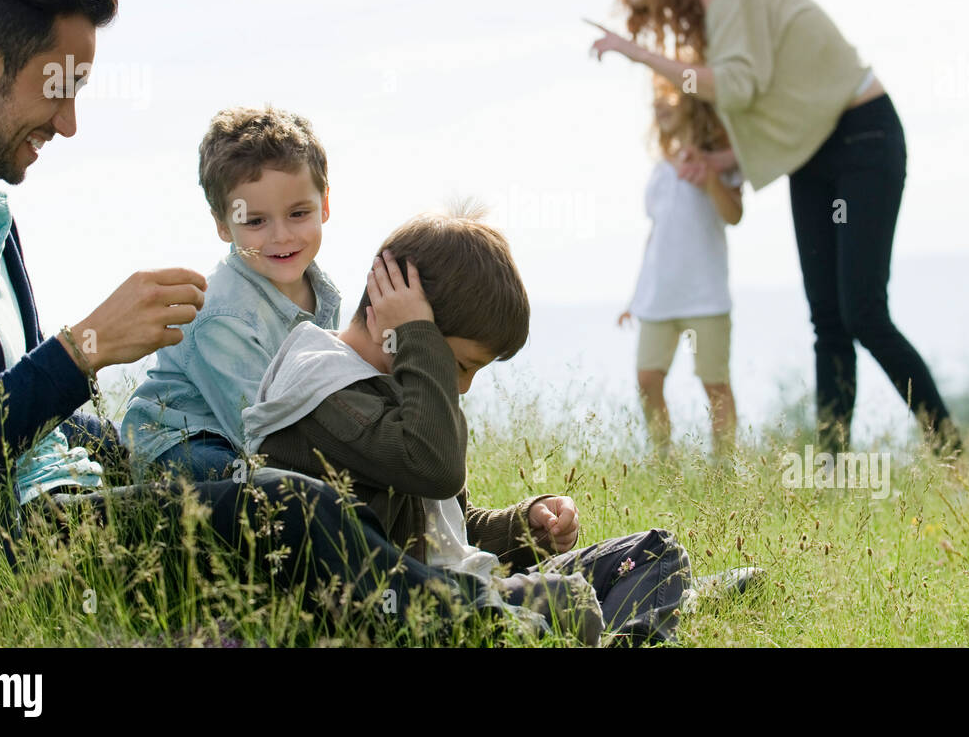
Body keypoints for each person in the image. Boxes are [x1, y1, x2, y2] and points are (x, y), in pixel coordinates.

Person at [0, 0, 546, 637]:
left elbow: (3, 409)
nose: (69, 123)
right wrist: (81, 351)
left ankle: (492, 581)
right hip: (10, 550)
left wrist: (111, 443)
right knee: (288, 508)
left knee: (281, 517)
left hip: (71, 499)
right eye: (59, 89)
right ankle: (487, 621)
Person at [588, 0, 962, 457]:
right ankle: (832, 473)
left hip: (862, 137)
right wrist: (719, 161)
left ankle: (951, 453)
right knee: (828, 321)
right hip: (809, 153)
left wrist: (637, 52)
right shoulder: (709, 13)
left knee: (863, 312)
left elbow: (736, 87)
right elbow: (771, 100)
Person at [246, 209, 701, 644]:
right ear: (396, 324)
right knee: (571, 602)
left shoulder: (397, 390)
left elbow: (445, 533)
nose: (460, 387)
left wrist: (525, 525)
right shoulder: (328, 392)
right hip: (399, 606)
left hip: (457, 588)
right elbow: (435, 469)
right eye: (458, 366)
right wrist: (419, 341)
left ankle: (629, 626)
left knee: (655, 552)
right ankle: (644, 615)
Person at [121, 106, 342, 480]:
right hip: (182, 441)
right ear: (223, 224)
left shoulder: (323, 292)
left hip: (254, 434)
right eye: (255, 221)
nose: (281, 236)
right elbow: (261, 432)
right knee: (260, 484)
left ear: (324, 205)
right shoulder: (223, 314)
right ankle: (127, 505)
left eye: (298, 213)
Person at [617, 77, 743, 460]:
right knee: (647, 379)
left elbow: (734, 214)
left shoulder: (720, 157)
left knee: (714, 384)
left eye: (668, 98)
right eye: (656, 101)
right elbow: (656, 237)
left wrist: (708, 180)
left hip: (706, 296)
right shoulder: (660, 170)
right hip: (659, 297)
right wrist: (634, 298)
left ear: (692, 102)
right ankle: (664, 460)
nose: (660, 106)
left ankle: (723, 467)